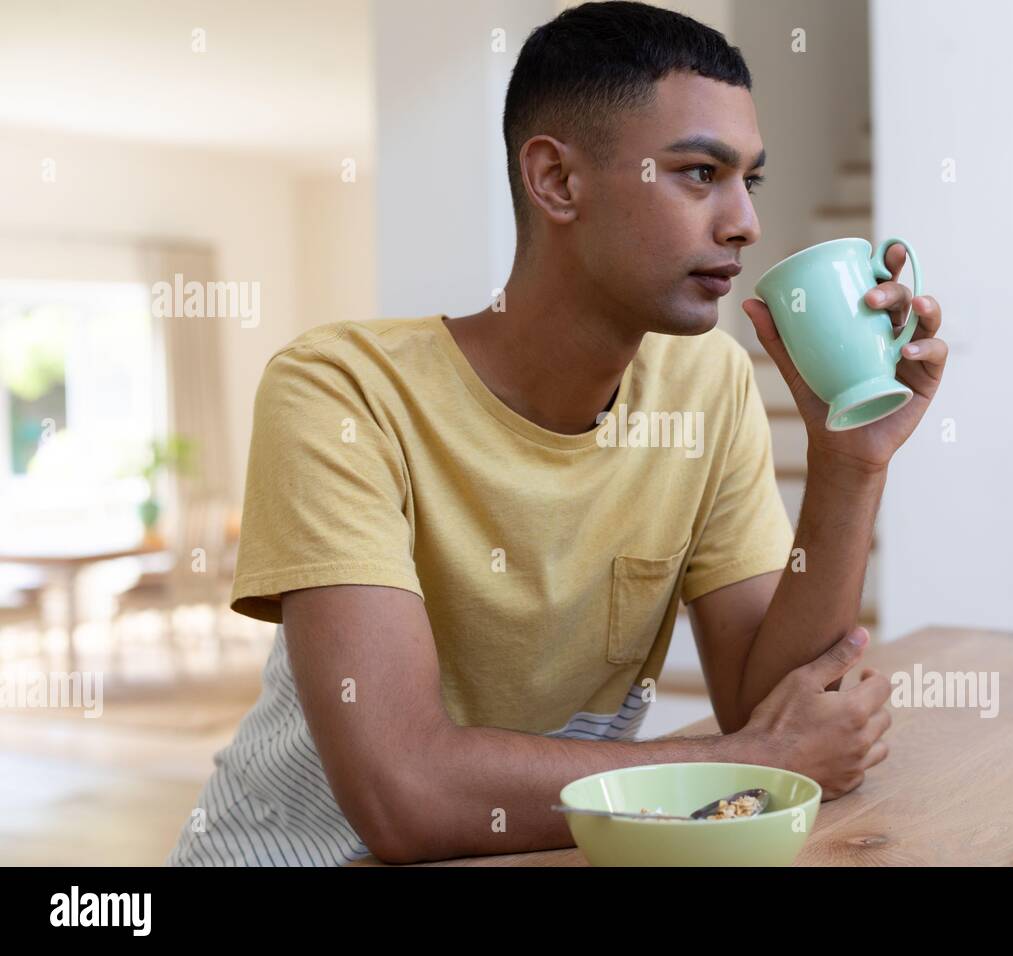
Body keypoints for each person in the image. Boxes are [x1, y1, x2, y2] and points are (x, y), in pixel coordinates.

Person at [167, 0, 946, 866]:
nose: (745, 222)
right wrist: (753, 763)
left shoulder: (708, 385)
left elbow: (767, 701)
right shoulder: (341, 392)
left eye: (749, 181)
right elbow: (405, 795)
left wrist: (847, 460)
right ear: (557, 181)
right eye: (698, 173)